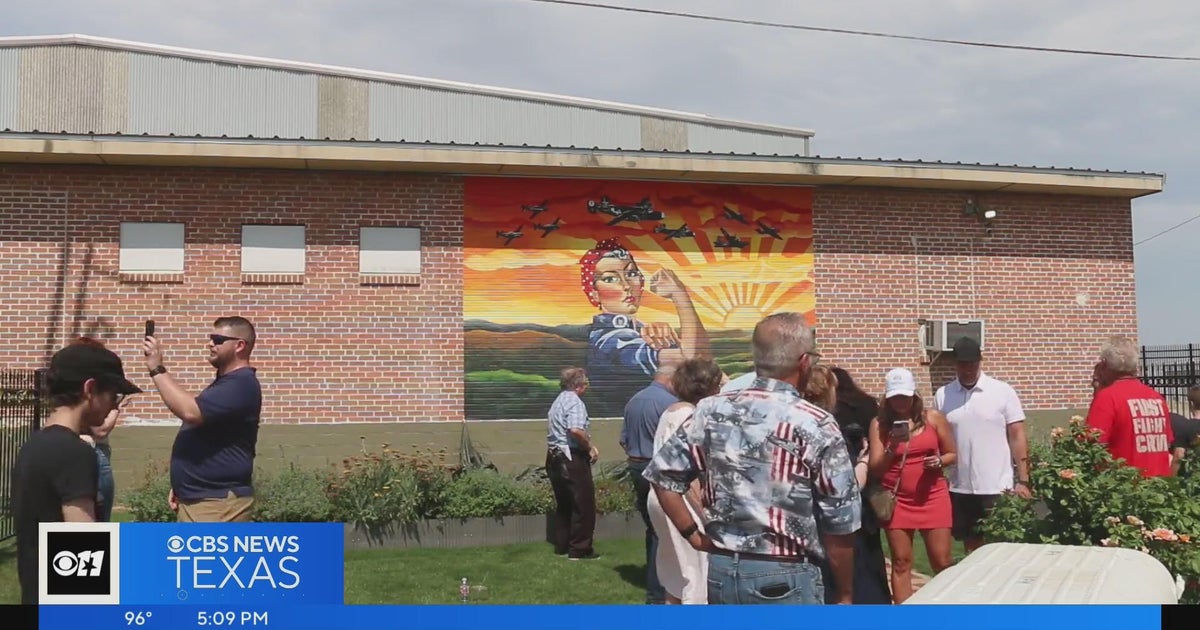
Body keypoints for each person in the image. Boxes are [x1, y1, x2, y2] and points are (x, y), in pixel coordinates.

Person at [644, 312, 861, 605]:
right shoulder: (815, 422)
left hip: (722, 570)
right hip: (785, 574)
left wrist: (693, 535)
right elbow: (840, 520)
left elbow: (663, 477)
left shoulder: (710, 410)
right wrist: (845, 592)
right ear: (804, 361)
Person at [12, 339, 141, 604]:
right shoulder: (76, 452)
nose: (114, 406)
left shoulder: (34, 445)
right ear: (90, 388)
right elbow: (83, 546)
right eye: (113, 395)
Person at [144, 316, 262, 522]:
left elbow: (191, 412)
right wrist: (182, 484)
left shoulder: (241, 384)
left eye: (217, 339)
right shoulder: (225, 384)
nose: (210, 343)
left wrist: (157, 369)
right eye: (210, 338)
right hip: (203, 499)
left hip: (217, 504)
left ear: (239, 345)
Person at [578, 238, 709, 415]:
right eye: (610, 278)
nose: (626, 285)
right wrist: (679, 295)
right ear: (593, 294)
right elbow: (692, 359)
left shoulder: (637, 330)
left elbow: (704, 360)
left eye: (631, 274)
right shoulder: (610, 341)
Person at [868, 367, 957, 603]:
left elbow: (952, 453)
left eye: (905, 396)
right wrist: (891, 447)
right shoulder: (879, 424)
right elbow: (876, 469)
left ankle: (946, 608)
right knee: (900, 561)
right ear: (887, 397)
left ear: (914, 395)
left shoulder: (933, 418)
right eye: (895, 396)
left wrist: (938, 460)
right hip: (898, 500)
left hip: (933, 496)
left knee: (942, 561)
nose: (900, 402)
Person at [934, 337, 1030, 553]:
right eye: (963, 364)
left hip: (997, 485)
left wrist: (1023, 479)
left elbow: (1017, 435)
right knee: (971, 545)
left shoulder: (1002, 391)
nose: (968, 369)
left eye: (973, 363)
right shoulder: (943, 395)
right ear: (955, 364)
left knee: (1001, 546)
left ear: (980, 361)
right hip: (961, 486)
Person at [646, 357, 723, 604]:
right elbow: (687, 477)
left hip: (660, 495)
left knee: (676, 575)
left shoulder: (672, 410)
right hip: (679, 499)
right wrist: (705, 514)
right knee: (696, 575)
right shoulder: (690, 415)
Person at [823, 366, 892, 605]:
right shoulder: (868, 406)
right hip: (862, 493)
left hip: (834, 493)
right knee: (869, 555)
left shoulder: (824, 415)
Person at [620, 365, 678, 604]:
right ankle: (658, 590)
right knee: (663, 532)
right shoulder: (670, 404)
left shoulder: (634, 400)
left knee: (652, 528)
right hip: (656, 469)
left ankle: (653, 577)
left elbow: (623, 439)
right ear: (670, 379)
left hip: (636, 465)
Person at [1085, 336, 1174, 477]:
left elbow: (1090, 445)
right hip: (1159, 486)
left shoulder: (1107, 397)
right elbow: (1167, 443)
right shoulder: (1156, 397)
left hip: (1125, 488)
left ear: (1104, 364)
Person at [546, 367, 600, 560]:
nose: (586, 387)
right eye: (585, 384)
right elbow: (575, 430)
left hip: (554, 457)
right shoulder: (575, 403)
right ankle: (580, 548)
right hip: (571, 458)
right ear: (578, 385)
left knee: (565, 504)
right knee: (583, 504)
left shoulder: (558, 401)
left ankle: (562, 545)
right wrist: (589, 447)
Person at [1171, 386, 1200, 476]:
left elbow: (1179, 454)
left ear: (1191, 403)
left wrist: (1172, 478)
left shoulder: (1186, 426)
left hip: (1192, 476)